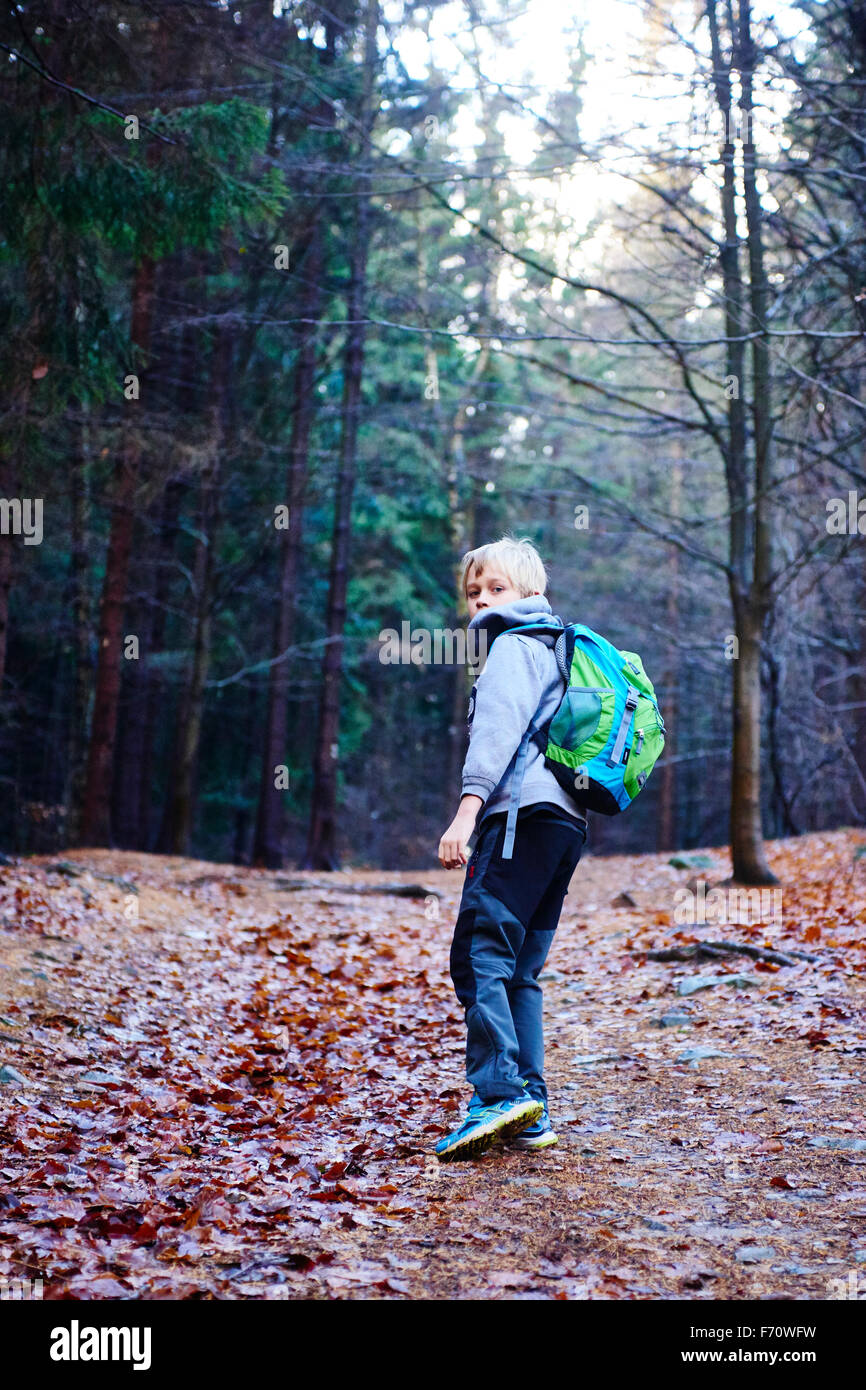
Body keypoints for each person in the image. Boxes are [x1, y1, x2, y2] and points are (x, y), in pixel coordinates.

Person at [435, 535, 588, 1162]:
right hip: (566, 822)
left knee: (479, 956)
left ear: (528, 592)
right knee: (521, 968)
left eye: (495, 589)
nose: (481, 601)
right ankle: (530, 1112)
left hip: (518, 814)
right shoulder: (559, 648)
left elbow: (496, 738)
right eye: (475, 592)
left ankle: (498, 1094)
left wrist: (465, 816)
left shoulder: (513, 647)